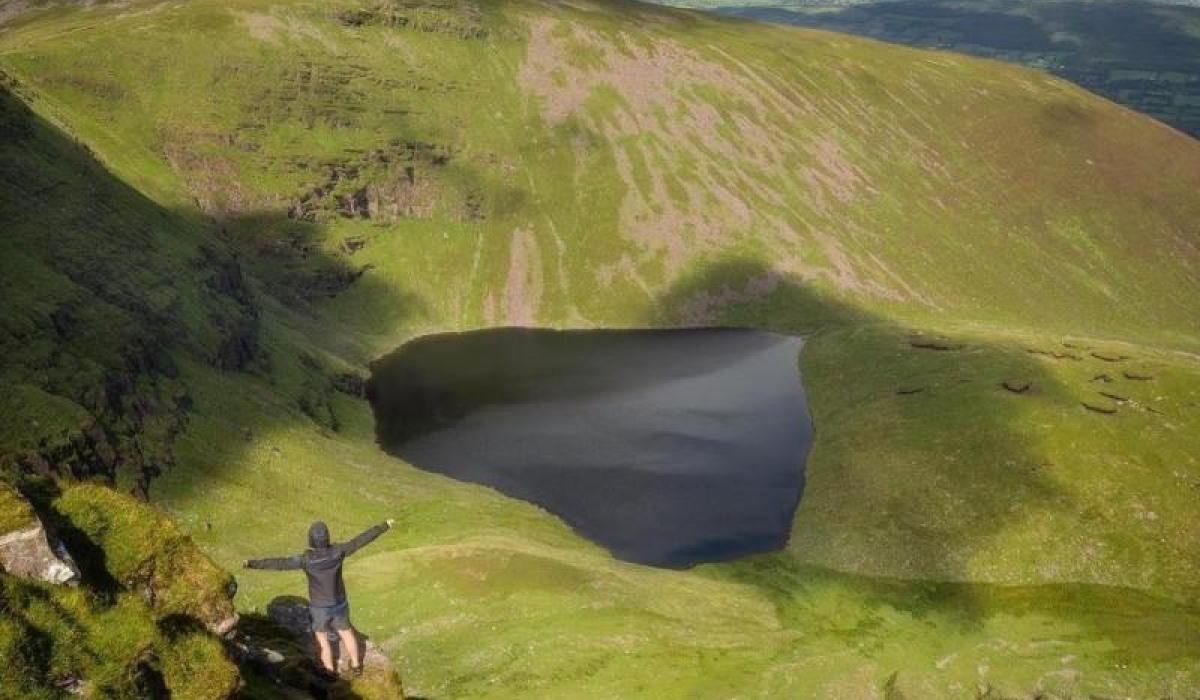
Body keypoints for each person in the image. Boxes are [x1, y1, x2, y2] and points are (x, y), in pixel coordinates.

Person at [244, 518, 394, 676]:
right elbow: (360, 540)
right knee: (346, 632)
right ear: (327, 537)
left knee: (322, 638)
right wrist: (384, 526)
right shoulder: (338, 551)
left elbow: (280, 563)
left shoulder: (306, 560)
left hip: (319, 607)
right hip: (339, 603)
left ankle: (329, 672)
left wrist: (251, 563)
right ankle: (356, 666)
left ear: (311, 540)